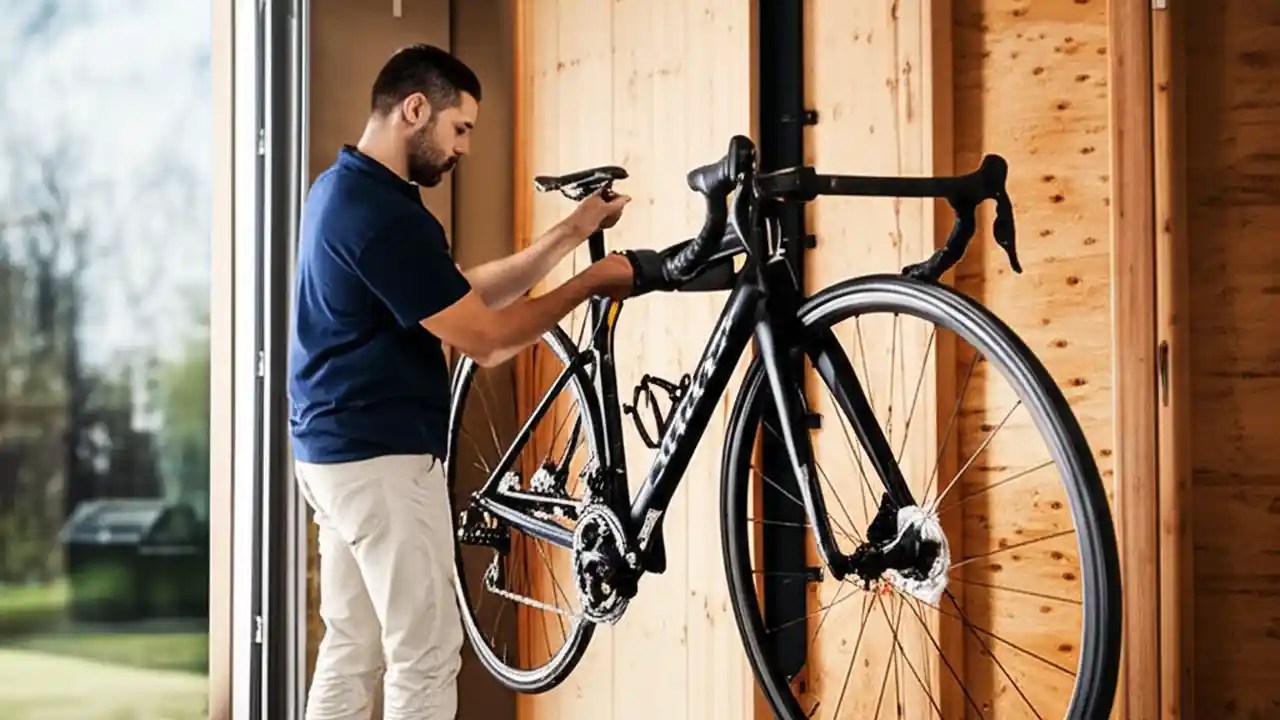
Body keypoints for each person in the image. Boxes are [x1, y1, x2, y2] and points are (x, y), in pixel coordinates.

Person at [287, 44, 633, 720]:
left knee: (353, 647)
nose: (464, 147)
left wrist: (570, 233)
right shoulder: (380, 216)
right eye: (460, 128)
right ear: (415, 109)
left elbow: (458, 297)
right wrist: (593, 282)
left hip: (334, 455)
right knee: (426, 653)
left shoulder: (344, 190)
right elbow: (488, 338)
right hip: (380, 461)